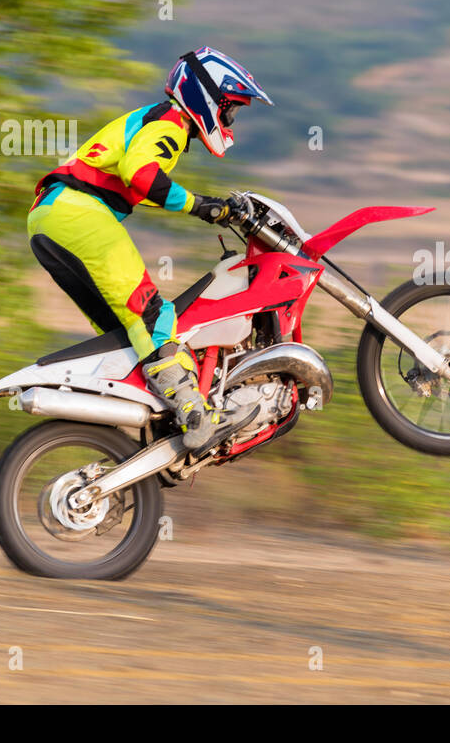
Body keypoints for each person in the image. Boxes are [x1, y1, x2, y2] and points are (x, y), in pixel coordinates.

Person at [26, 47, 273, 455]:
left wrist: (208, 208)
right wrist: (202, 205)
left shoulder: (155, 121)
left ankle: (132, 424)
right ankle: (195, 415)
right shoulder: (170, 122)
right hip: (77, 214)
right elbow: (141, 176)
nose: (229, 120)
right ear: (207, 97)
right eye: (230, 109)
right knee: (153, 315)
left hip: (48, 221)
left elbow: (143, 185)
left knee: (125, 337)